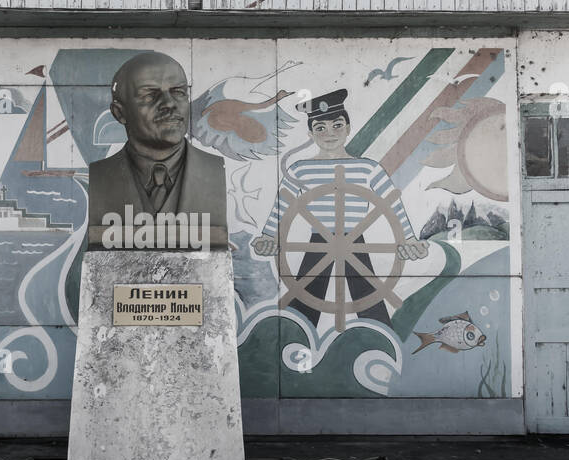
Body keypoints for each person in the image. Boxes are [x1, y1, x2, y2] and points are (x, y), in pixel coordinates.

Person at [252, 88, 429, 326]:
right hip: (318, 242)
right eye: (320, 128)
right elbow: (282, 206)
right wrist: (268, 237)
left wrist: (408, 239)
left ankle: (380, 341)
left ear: (348, 127)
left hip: (354, 241)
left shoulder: (368, 169)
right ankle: (298, 340)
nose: (329, 134)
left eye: (336, 125)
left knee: (369, 301)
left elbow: (392, 203)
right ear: (310, 133)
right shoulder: (299, 170)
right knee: (304, 303)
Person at [86, 52, 229, 250]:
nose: (169, 103)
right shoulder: (102, 177)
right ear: (120, 113)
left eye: (178, 91)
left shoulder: (212, 172)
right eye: (150, 95)